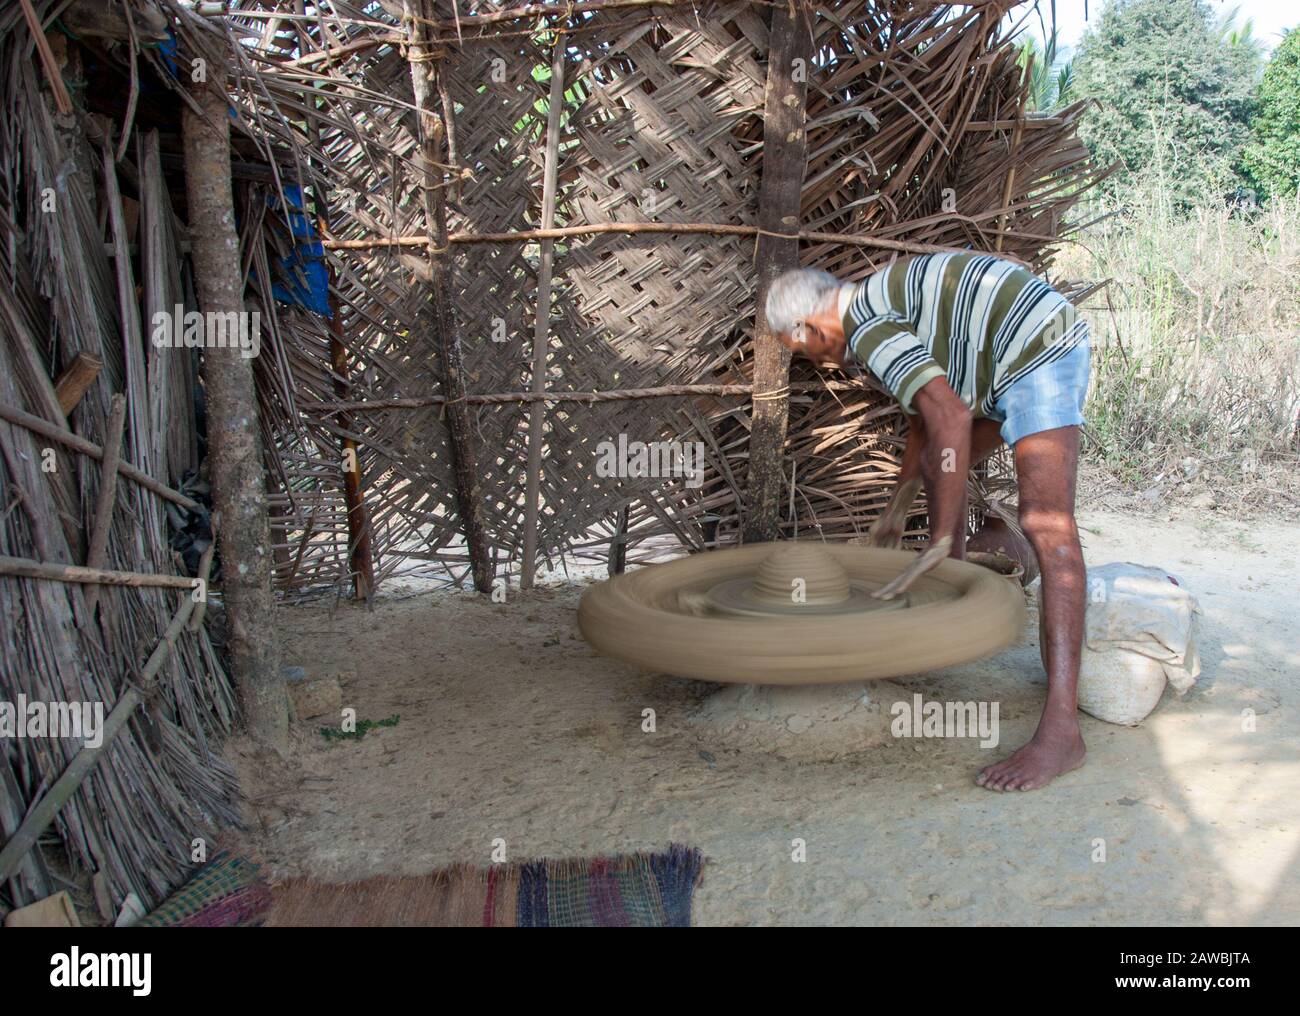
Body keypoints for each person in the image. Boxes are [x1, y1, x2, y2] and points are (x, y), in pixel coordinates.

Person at [766, 253, 1090, 791]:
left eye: (803, 351)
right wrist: (897, 507)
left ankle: (1062, 732)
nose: (820, 363)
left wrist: (942, 537)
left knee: (1048, 525)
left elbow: (952, 417)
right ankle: (958, 599)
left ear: (808, 325)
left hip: (1038, 350)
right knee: (944, 463)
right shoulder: (878, 307)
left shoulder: (864, 321)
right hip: (1000, 364)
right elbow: (925, 421)